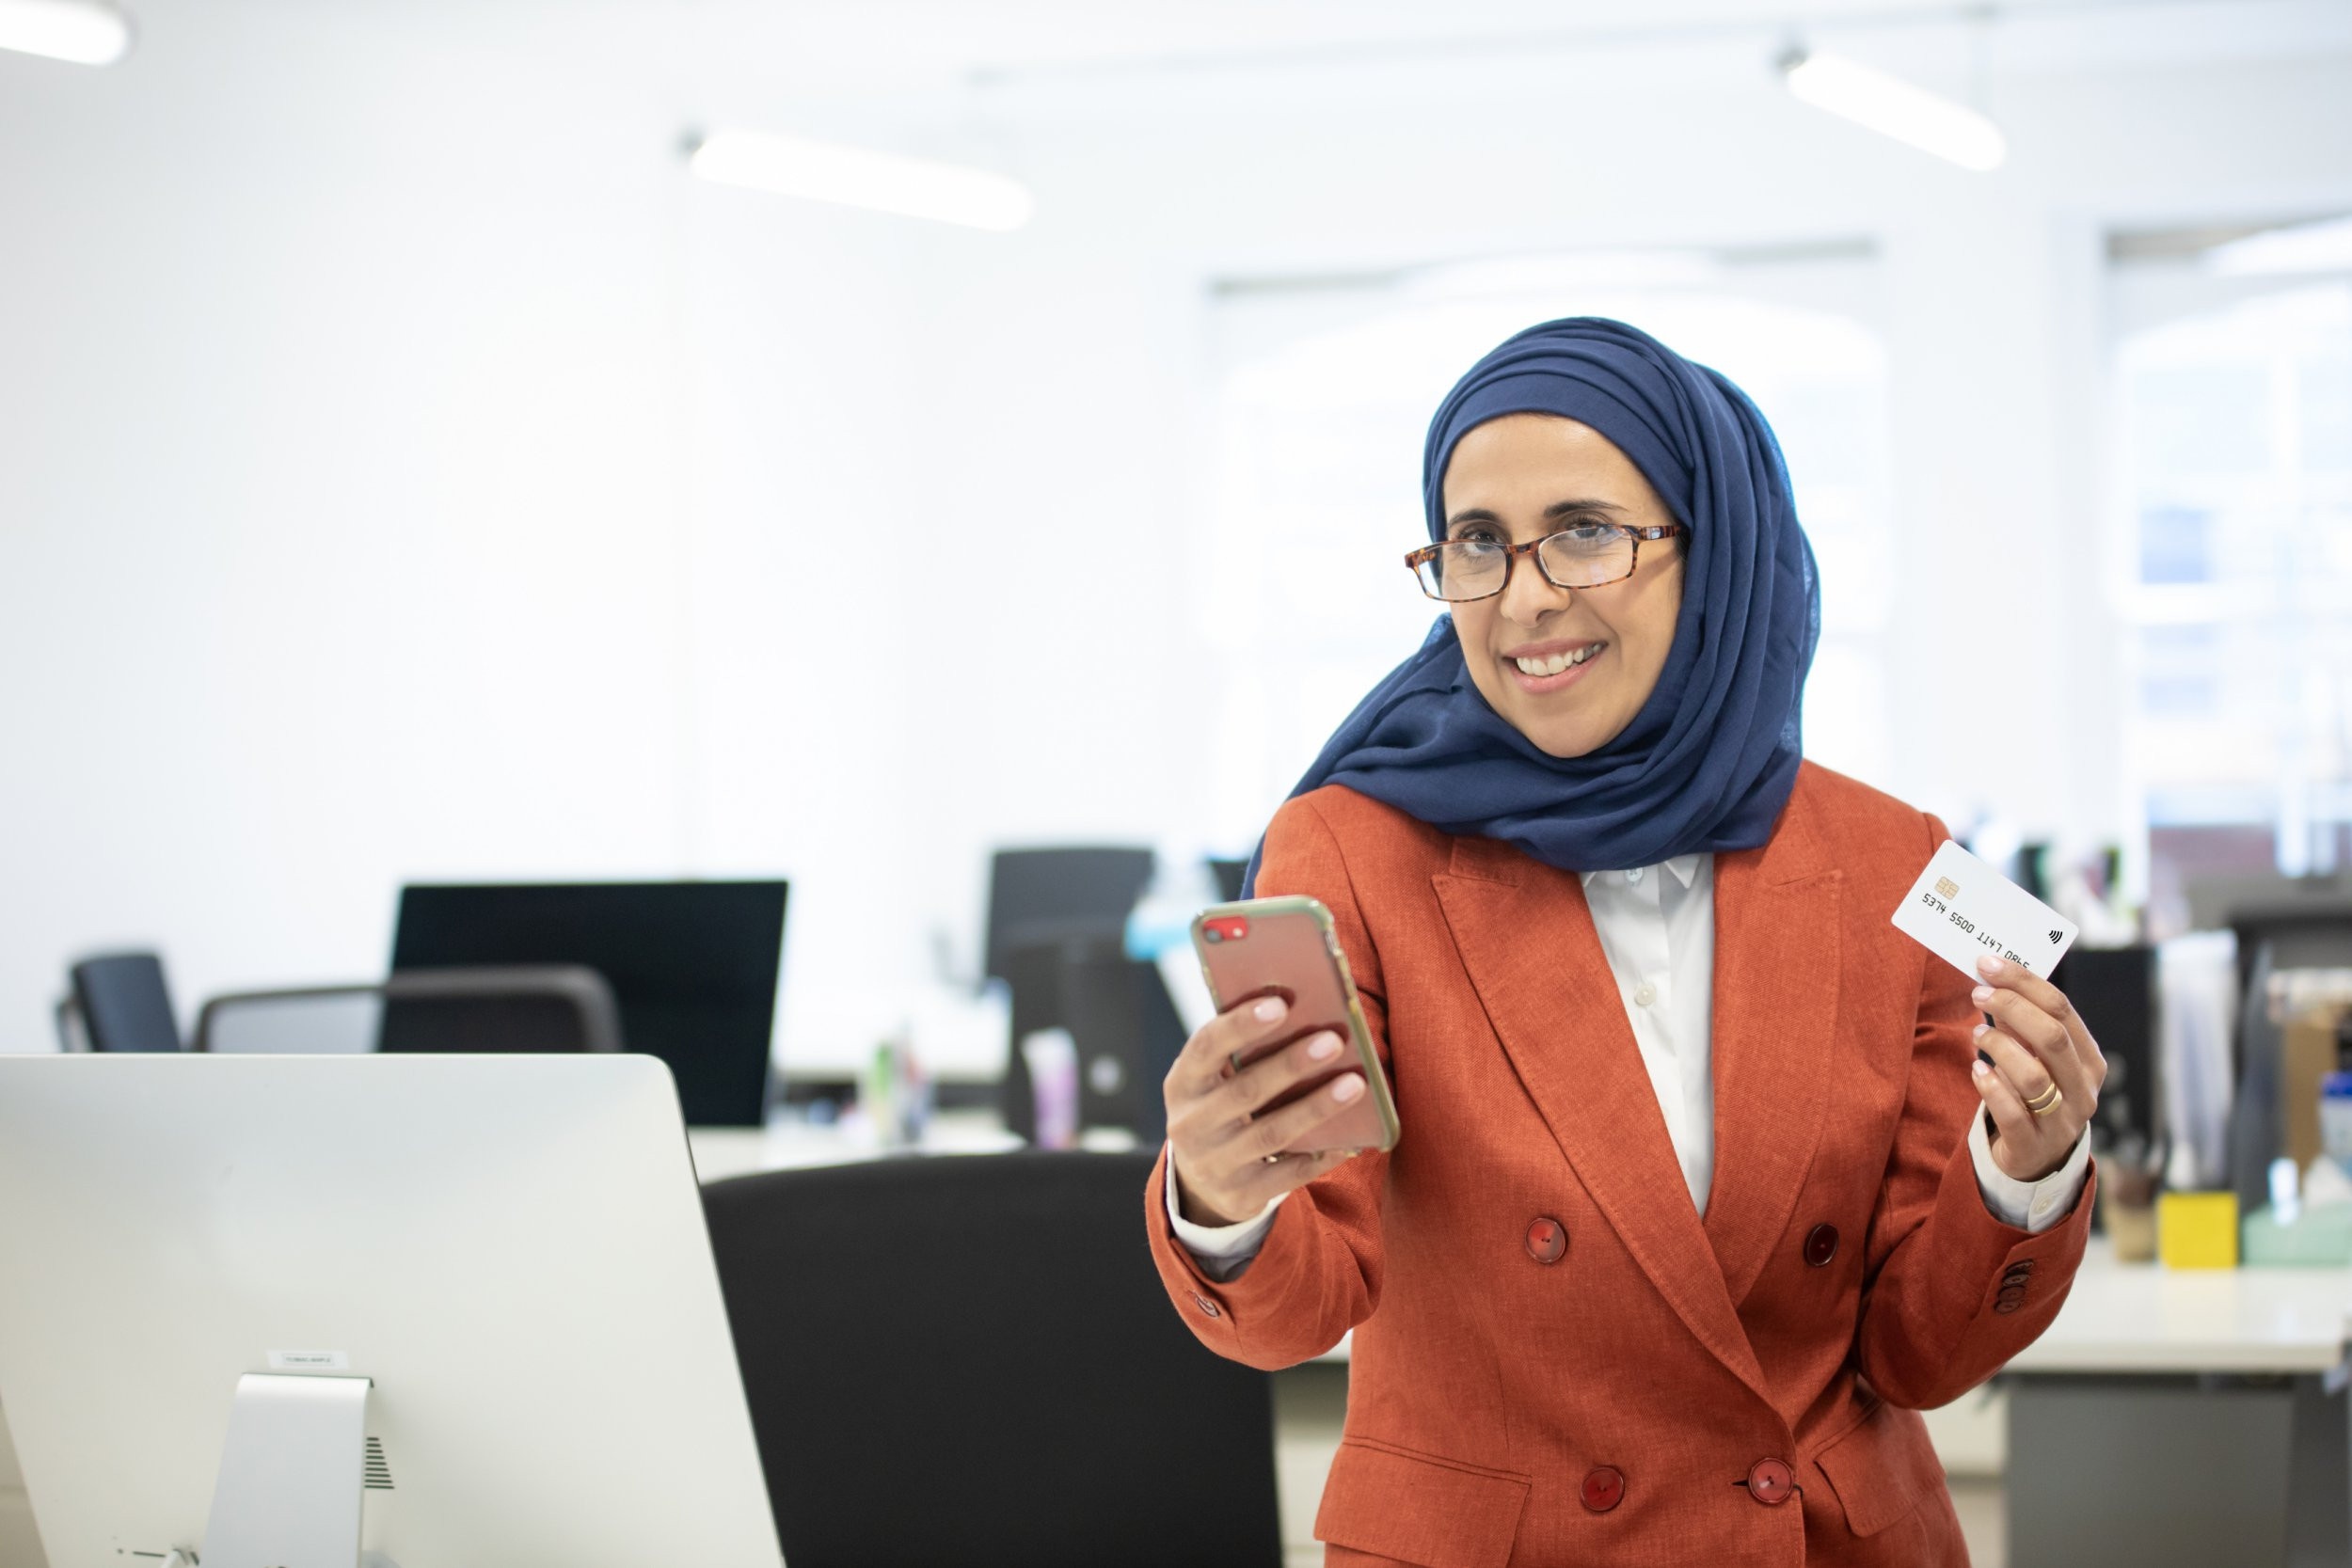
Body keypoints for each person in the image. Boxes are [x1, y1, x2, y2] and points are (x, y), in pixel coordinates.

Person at [1146, 318, 2100, 1567]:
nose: (1527, 597)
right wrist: (1219, 1199)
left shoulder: (1896, 864)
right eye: (1477, 543)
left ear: (1717, 553)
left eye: (1585, 532)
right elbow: (1297, 1307)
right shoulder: (1350, 852)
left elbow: (1920, 1357)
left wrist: (2023, 1169)